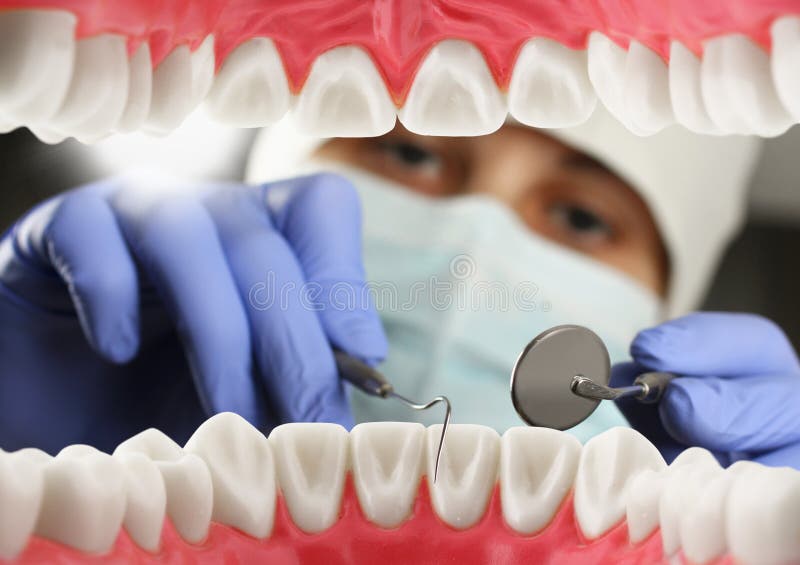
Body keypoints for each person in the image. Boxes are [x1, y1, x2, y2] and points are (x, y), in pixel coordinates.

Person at [1, 108, 798, 468]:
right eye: (410, 154)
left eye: (583, 219)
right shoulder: (71, 429)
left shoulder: (725, 516)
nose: (473, 246)